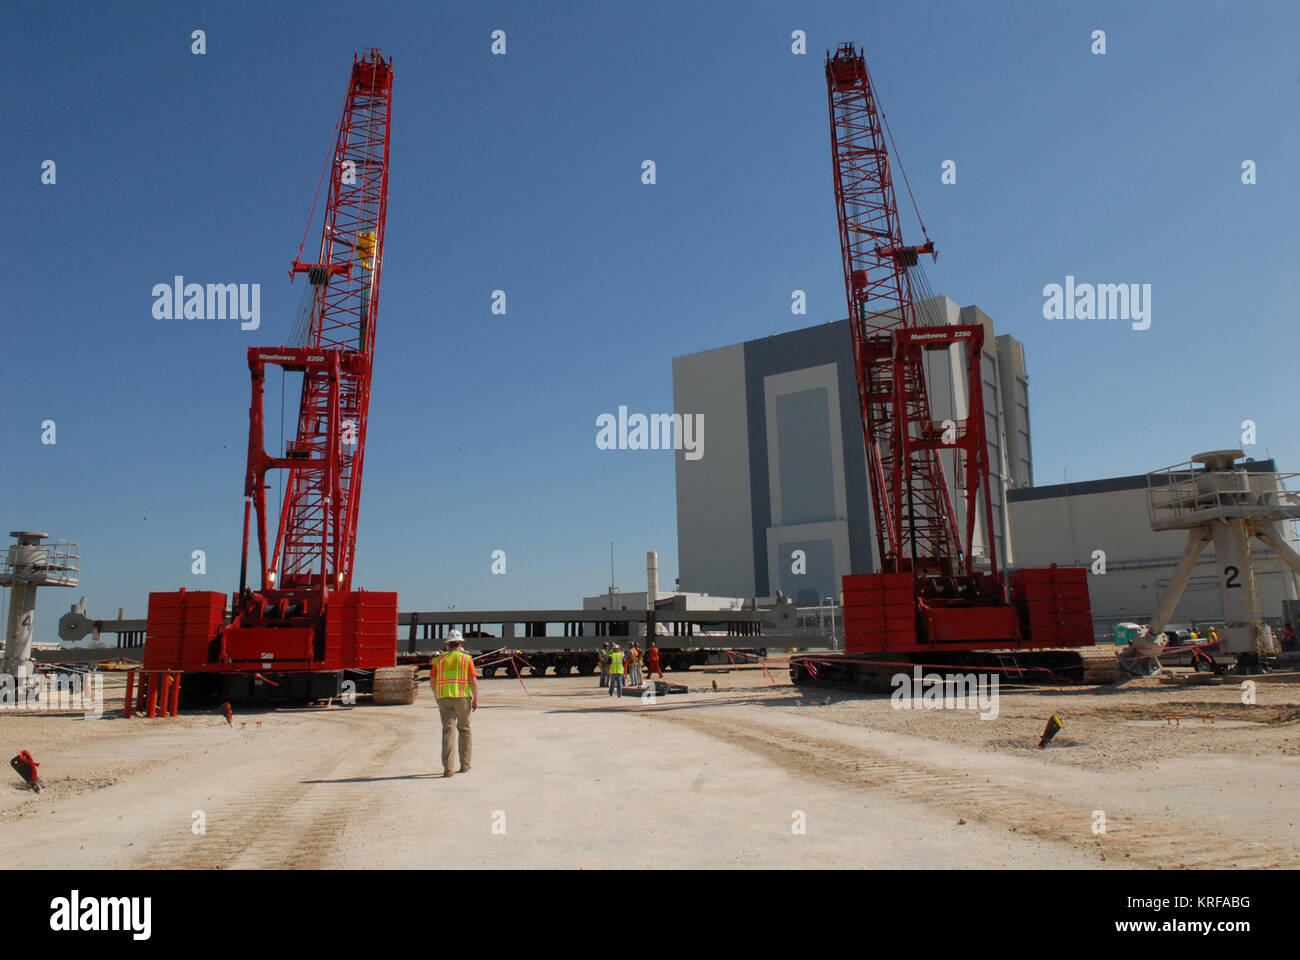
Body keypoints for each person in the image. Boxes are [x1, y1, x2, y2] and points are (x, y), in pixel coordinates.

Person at [430, 629, 478, 778]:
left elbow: (432, 682)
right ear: (461, 642)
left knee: (448, 732)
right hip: (462, 698)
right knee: (464, 729)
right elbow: (473, 681)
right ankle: (465, 763)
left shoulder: (439, 660)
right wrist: (475, 698)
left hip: (444, 698)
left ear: (447, 644)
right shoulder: (466, 659)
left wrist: (437, 696)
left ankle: (448, 768)